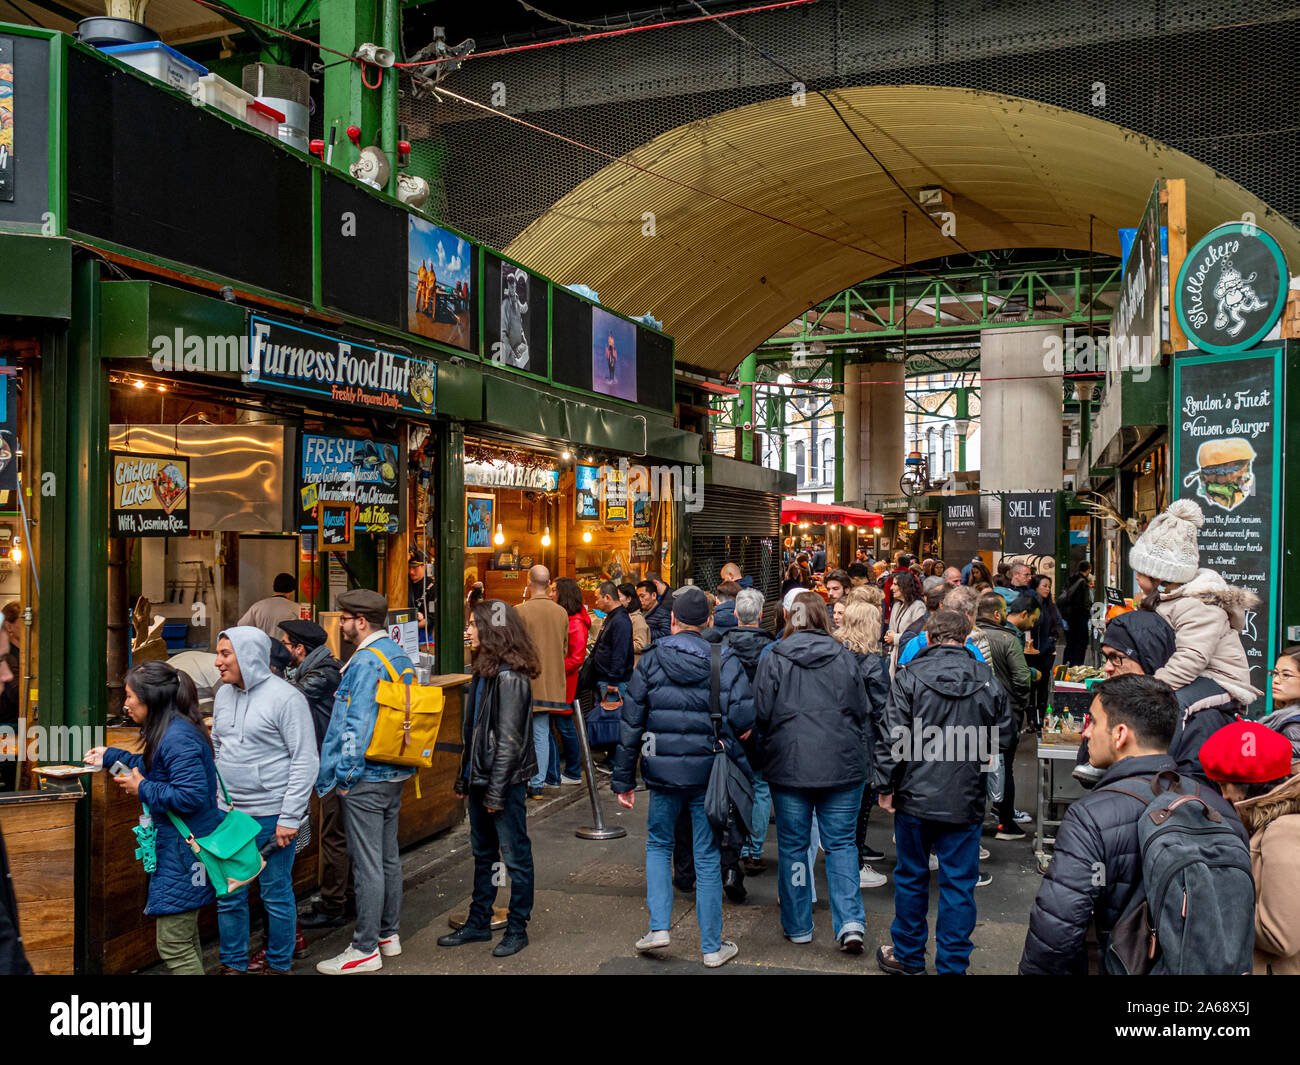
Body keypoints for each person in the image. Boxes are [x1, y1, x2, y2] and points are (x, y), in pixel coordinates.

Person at [1018, 674, 1246, 975]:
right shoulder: (1218, 809)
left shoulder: (1090, 817)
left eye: (1094, 722)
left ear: (1120, 734)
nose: (1086, 733)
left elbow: (1056, 928)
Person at [612, 585, 753, 968]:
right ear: (708, 621)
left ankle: (659, 927)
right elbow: (743, 719)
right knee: (707, 856)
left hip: (661, 772)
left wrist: (624, 779)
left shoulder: (653, 661)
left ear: (672, 621)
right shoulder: (723, 659)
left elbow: (631, 722)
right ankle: (711, 947)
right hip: (708, 773)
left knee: (659, 845)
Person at [873, 610, 1012, 975]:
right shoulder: (986, 680)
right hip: (964, 796)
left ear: (929, 638)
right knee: (958, 885)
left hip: (915, 795)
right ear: (966, 639)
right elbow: (1005, 736)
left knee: (912, 876)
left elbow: (893, 737)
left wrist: (885, 787)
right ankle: (952, 965)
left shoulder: (910, 677)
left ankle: (908, 954)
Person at [84, 662, 220, 975]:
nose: (125, 703)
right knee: (184, 938)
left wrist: (142, 788)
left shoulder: (177, 738)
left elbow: (191, 796)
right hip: (180, 849)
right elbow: (151, 768)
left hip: (185, 851)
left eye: (130, 696)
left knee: (173, 943)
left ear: (151, 699)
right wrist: (110, 757)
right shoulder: (171, 732)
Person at [755, 592, 871, 951]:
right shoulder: (845, 657)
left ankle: (799, 924)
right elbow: (861, 708)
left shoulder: (774, 656)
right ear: (823, 617)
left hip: (790, 765)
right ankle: (850, 922)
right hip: (842, 763)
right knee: (841, 846)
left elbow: (761, 711)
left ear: (791, 617)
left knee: (793, 846)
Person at [312, 591, 418, 975]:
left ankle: (365, 947)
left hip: (366, 776)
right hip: (395, 768)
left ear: (361, 621)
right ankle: (388, 935)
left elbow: (355, 725)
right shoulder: (398, 655)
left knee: (368, 863)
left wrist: (346, 776)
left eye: (344, 618)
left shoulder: (365, 662)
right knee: (388, 858)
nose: (339, 625)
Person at [211, 626, 318, 975]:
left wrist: (290, 817)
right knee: (230, 895)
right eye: (218, 653)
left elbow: (305, 759)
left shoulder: (287, 698)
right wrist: (217, 800)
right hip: (230, 817)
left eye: (226, 654)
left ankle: (278, 963)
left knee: (275, 893)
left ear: (249, 657)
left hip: (272, 816)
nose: (217, 662)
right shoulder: (224, 695)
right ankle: (234, 965)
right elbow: (217, 747)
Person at [439, 600, 539, 957]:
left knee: (514, 855)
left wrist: (495, 793)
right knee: (484, 854)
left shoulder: (510, 677)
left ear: (493, 630)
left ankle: (517, 927)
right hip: (483, 780)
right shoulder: (485, 672)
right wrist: (464, 779)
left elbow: (510, 742)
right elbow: (476, 732)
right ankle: (479, 921)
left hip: (503, 784)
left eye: (473, 625)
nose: (467, 631)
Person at [1129, 499, 1262, 708]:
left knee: (1175, 707)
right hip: (1193, 675)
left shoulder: (1198, 605)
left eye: (1141, 572)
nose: (1136, 577)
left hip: (1219, 680)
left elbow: (1191, 657)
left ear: (1160, 576)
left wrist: (1153, 686)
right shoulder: (1167, 599)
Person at [1199, 720, 1300, 975]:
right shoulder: (1274, 823)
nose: (1223, 796)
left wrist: (1217, 901)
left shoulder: (1281, 832)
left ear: (1249, 785)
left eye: (1225, 785)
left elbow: (1281, 935)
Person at [279, 620, 351, 931]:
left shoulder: (323, 673)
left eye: (285, 644)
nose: (283, 650)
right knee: (336, 833)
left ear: (299, 648)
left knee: (333, 835)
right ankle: (344, 899)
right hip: (329, 763)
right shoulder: (314, 668)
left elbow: (286, 699)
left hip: (332, 765)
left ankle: (335, 906)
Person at [833, 598, 890, 888]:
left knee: (842, 813)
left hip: (833, 741)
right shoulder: (872, 663)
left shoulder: (834, 655)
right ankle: (854, 866)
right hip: (863, 745)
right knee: (860, 809)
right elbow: (883, 712)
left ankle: (847, 864)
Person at [976, 593, 1036, 840]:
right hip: (1004, 713)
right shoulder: (1008, 639)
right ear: (998, 614)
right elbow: (1022, 678)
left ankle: (975, 826)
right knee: (1005, 766)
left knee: (977, 767)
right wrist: (1019, 705)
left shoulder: (969, 637)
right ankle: (1006, 823)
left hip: (974, 714)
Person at [724, 588, 776, 874]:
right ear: (760, 614)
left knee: (731, 785)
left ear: (735, 614)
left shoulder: (723, 645)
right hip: (758, 727)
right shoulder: (770, 648)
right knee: (760, 785)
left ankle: (737, 845)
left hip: (730, 726)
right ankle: (753, 850)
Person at [516, 565, 576, 797]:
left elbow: (514, 649)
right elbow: (563, 648)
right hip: (550, 682)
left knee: (520, 734)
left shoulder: (519, 611)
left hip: (524, 682)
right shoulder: (561, 612)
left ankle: (523, 779)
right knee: (541, 732)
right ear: (549, 583)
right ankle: (538, 783)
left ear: (528, 581)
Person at [549, 577, 590, 792]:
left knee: (565, 727)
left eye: (555, 590)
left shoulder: (575, 623)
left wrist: (552, 668)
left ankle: (573, 771)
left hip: (565, 683)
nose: (551, 594)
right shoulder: (567, 619)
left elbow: (576, 658)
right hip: (559, 682)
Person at [1025, 575, 1064, 732]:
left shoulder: (1050, 606)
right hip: (1030, 652)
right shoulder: (1030, 605)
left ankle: (1041, 718)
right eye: (1044, 586)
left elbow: (1057, 624)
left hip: (1046, 652)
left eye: (1049, 586)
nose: (1047, 589)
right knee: (1030, 686)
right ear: (1036, 587)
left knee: (1043, 686)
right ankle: (1031, 720)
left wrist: (1052, 642)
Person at [589, 580, 635, 707]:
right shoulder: (612, 616)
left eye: (597, 599)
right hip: (605, 679)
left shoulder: (620, 620)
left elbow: (620, 652)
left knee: (610, 720)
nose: (596, 602)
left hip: (613, 683)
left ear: (607, 597)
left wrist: (613, 681)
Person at [883, 570, 926, 678]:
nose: (891, 588)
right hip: (893, 656)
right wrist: (889, 635)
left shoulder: (918, 606)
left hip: (907, 659)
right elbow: (892, 628)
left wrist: (895, 638)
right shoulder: (897, 604)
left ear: (905, 586)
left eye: (895, 584)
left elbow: (919, 636)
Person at [1261, 646, 1300, 758]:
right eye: (1275, 673)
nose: (1275, 680)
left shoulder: (1293, 725)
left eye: (1286, 675)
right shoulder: (1285, 716)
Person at [237, 573, 301, 638]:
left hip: (263, 646)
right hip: (285, 647)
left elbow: (241, 625)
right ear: (292, 591)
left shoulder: (257, 606)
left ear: (274, 587)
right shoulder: (296, 608)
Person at [1058, 561, 1093, 665]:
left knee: (1070, 643)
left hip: (1069, 617)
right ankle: (1077, 666)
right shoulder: (1083, 583)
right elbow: (1084, 604)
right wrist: (1088, 613)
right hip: (1080, 618)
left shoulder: (1071, 579)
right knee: (1081, 644)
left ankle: (1066, 666)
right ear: (1088, 570)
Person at [619, 582, 651, 667]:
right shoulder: (625, 615)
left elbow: (640, 645)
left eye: (618, 597)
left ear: (629, 599)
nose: (616, 600)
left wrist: (618, 642)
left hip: (634, 667)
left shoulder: (637, 619)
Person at [638, 578, 671, 643]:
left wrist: (643, 631)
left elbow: (666, 635)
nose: (639, 600)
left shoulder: (664, 613)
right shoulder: (640, 610)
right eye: (638, 597)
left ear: (654, 595)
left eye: (642, 596)